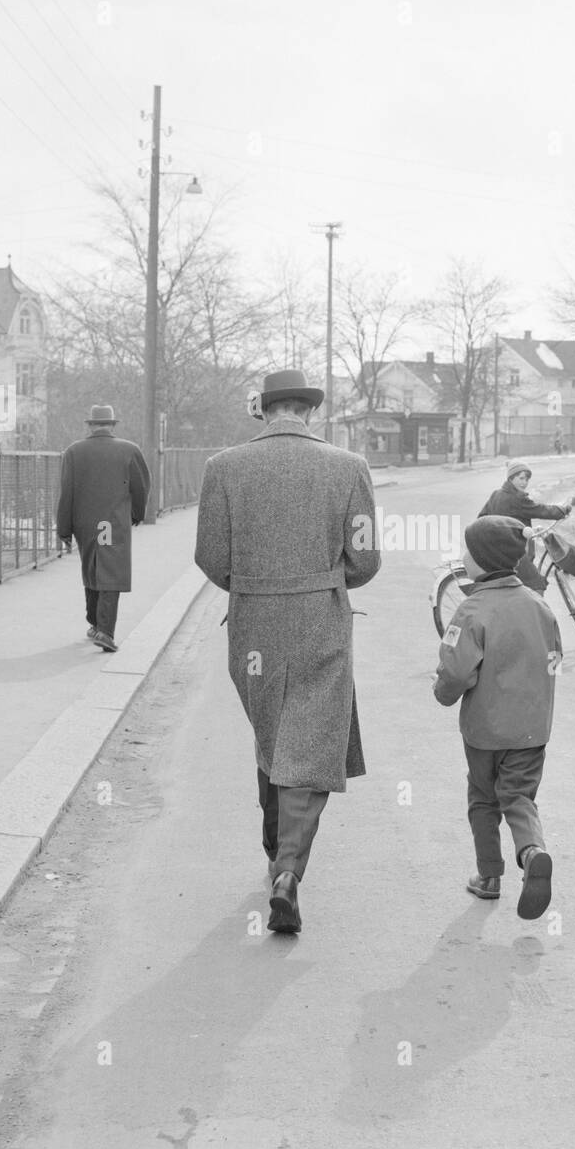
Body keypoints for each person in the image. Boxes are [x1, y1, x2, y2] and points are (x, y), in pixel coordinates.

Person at [194, 370, 381, 934]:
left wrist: (252, 583)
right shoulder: (349, 468)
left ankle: (274, 846)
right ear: (309, 412)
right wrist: (323, 577)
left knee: (272, 734)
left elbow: (209, 556)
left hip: (252, 622)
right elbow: (367, 560)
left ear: (265, 411)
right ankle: (288, 871)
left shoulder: (223, 467)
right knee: (312, 743)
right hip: (321, 619)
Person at [433, 516, 560, 920]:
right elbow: (553, 661)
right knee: (519, 797)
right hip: (531, 730)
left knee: (483, 799)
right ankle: (532, 851)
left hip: (485, 731)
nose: (462, 556)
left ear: (482, 561)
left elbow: (455, 672)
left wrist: (443, 693)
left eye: (467, 551)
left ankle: (489, 877)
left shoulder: (472, 610)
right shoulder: (540, 607)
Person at [56, 405, 150, 653]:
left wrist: (64, 528)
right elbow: (140, 488)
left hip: (84, 523)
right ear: (113, 425)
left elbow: (66, 493)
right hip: (112, 522)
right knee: (110, 572)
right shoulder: (130, 450)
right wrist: (137, 514)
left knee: (91, 568)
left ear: (90, 425)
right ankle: (105, 631)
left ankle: (94, 622)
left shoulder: (73, 452)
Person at [478, 460, 570, 594]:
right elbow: (539, 510)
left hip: (496, 551)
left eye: (527, 479)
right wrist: (563, 510)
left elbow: (481, 518)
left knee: (519, 584)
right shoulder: (517, 499)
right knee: (536, 585)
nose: (524, 482)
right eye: (521, 478)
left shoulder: (496, 494)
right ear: (511, 478)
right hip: (512, 552)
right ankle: (533, 613)